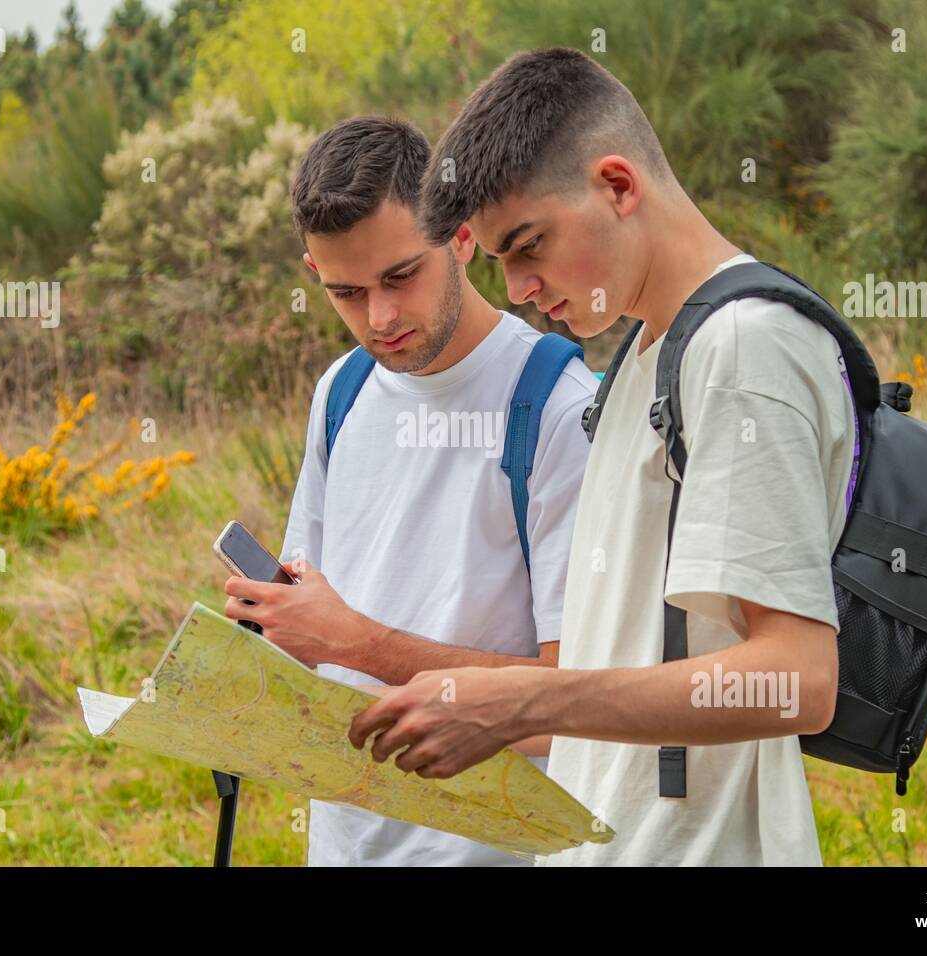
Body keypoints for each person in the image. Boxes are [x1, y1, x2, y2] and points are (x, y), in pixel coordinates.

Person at [348, 49, 853, 866]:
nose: (516, 288)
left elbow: (799, 680)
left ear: (618, 186)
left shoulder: (746, 347)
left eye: (528, 245)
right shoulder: (641, 358)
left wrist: (526, 701)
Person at [223, 115, 597, 866]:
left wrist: (353, 641)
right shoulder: (344, 389)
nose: (380, 318)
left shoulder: (559, 409)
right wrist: (262, 632)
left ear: (460, 237)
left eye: (400, 276)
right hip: (344, 841)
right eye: (347, 292)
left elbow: (583, 702)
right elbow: (312, 630)